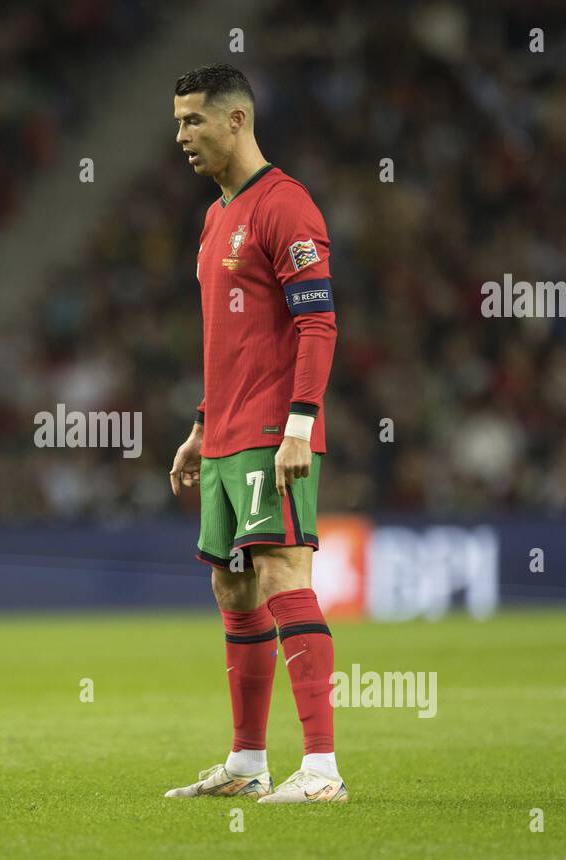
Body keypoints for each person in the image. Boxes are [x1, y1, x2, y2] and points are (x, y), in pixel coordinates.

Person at [166, 64, 346, 804]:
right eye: (178, 122)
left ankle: (323, 771)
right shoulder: (216, 216)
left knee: (279, 574)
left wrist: (299, 424)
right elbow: (228, 339)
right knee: (233, 585)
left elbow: (317, 321)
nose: (181, 137)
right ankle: (246, 765)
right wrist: (201, 424)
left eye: (192, 121)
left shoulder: (286, 206)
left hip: (274, 430)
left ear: (236, 121)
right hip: (225, 431)